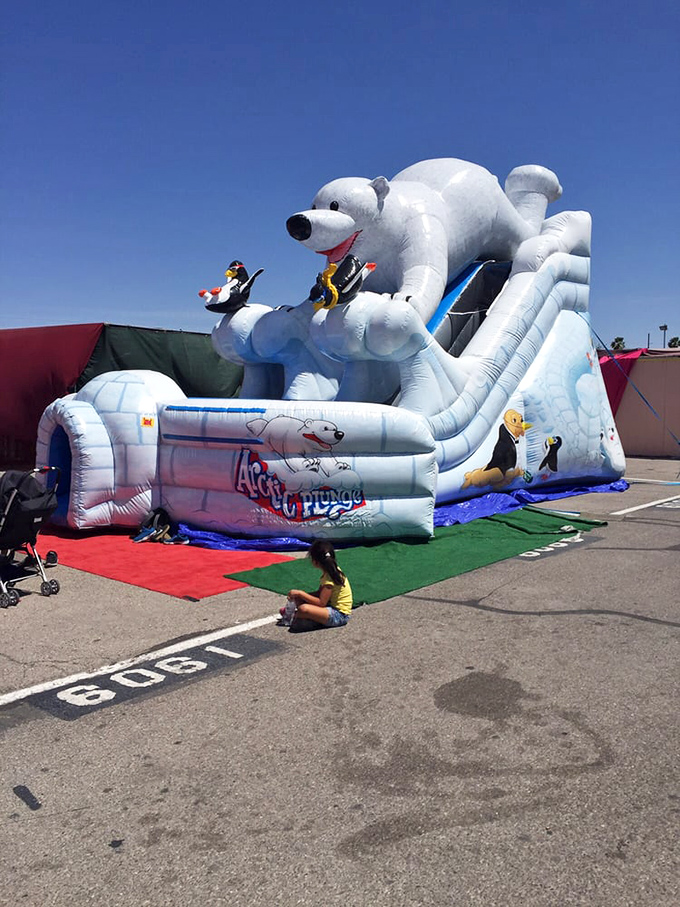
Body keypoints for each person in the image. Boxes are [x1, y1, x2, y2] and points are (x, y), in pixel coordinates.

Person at [287, 540, 352, 630]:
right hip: (331, 607)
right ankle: (309, 617)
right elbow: (320, 593)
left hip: (340, 615)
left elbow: (321, 602)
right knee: (299, 600)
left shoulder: (329, 578)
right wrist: (300, 596)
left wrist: (301, 593)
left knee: (303, 609)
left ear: (315, 562)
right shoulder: (331, 571)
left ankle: (310, 619)